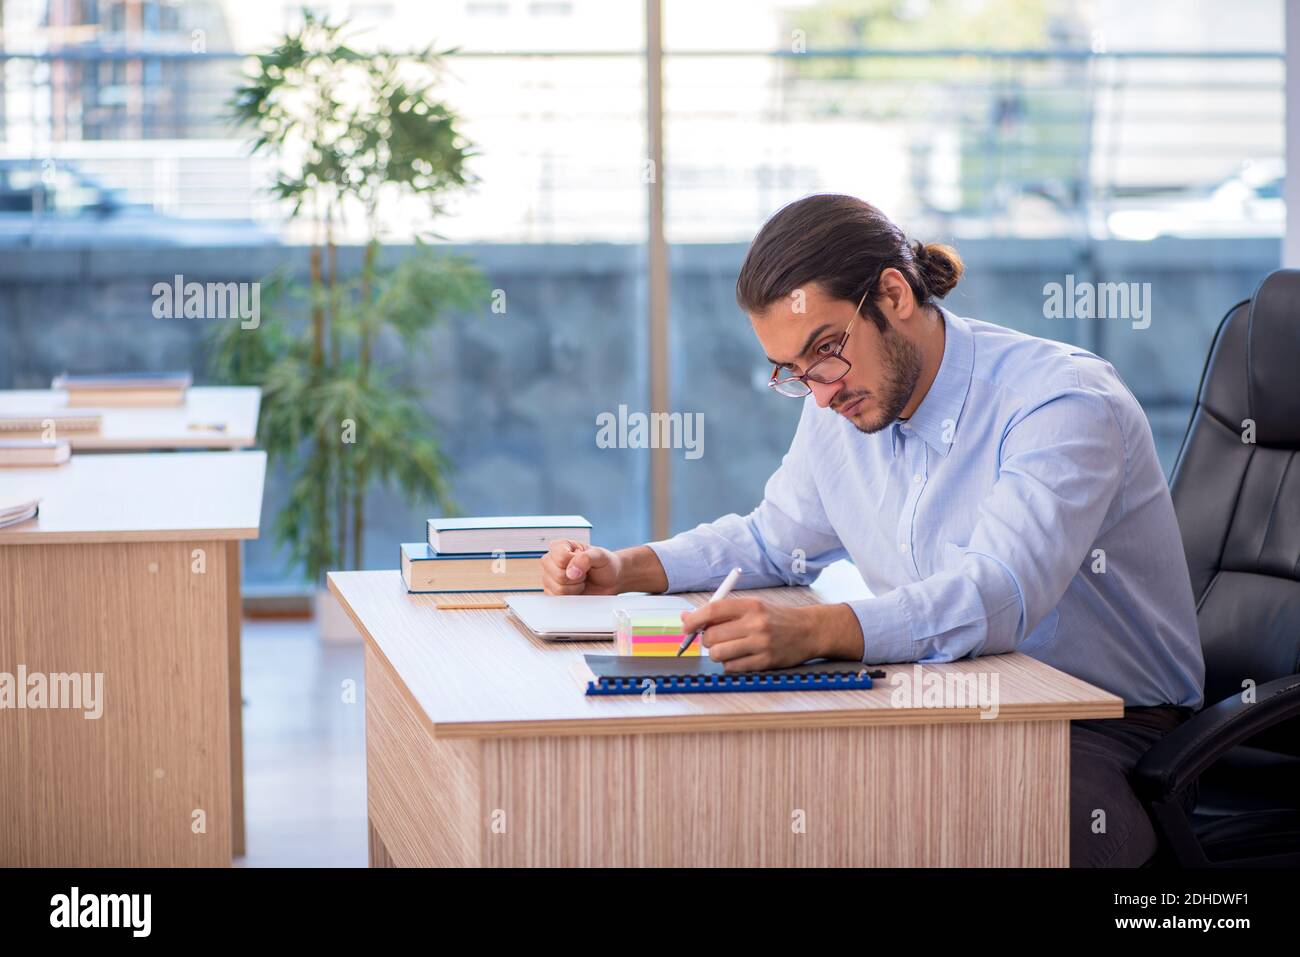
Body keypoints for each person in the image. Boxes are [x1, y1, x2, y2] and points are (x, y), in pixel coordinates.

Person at [542, 193, 1205, 867]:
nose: (822, 391)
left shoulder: (1061, 403)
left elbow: (994, 594)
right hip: (948, 695)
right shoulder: (840, 404)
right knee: (755, 786)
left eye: (826, 350)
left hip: (1103, 727)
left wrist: (818, 630)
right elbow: (774, 541)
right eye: (795, 374)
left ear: (893, 295)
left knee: (900, 820)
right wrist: (626, 567)